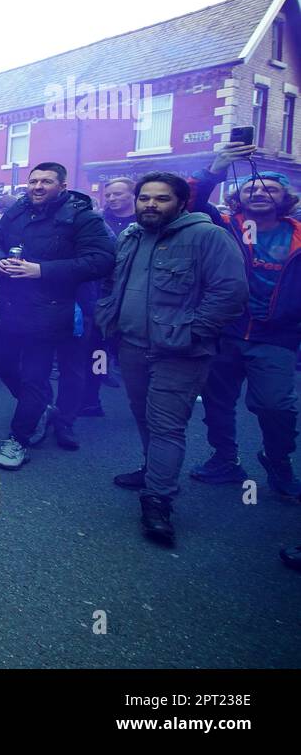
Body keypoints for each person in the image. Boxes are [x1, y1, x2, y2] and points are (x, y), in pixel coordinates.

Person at [94, 172, 248, 544]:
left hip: (179, 352)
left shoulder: (208, 236)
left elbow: (230, 292)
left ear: (180, 203)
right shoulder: (131, 235)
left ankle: (158, 500)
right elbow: (113, 282)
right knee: (143, 415)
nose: (150, 204)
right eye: (144, 198)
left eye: (161, 199)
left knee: (166, 425)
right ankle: (153, 471)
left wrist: (192, 332)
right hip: (131, 345)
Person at [184, 144, 301, 496]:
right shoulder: (224, 225)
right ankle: (225, 460)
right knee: (218, 402)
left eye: (270, 189)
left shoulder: (298, 234)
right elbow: (189, 203)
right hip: (225, 330)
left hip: (276, 336)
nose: (259, 193)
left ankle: (278, 460)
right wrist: (216, 167)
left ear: (285, 198)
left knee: (275, 405)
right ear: (237, 197)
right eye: (250, 188)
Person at [0, 162, 115, 470]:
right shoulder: (18, 210)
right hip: (15, 307)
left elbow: (101, 260)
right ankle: (41, 407)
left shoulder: (82, 217)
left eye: (46, 181)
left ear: (63, 186)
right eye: (34, 181)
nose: (38, 186)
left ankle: (27, 435)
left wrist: (41, 270)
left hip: (63, 309)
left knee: (49, 373)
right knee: (2, 362)